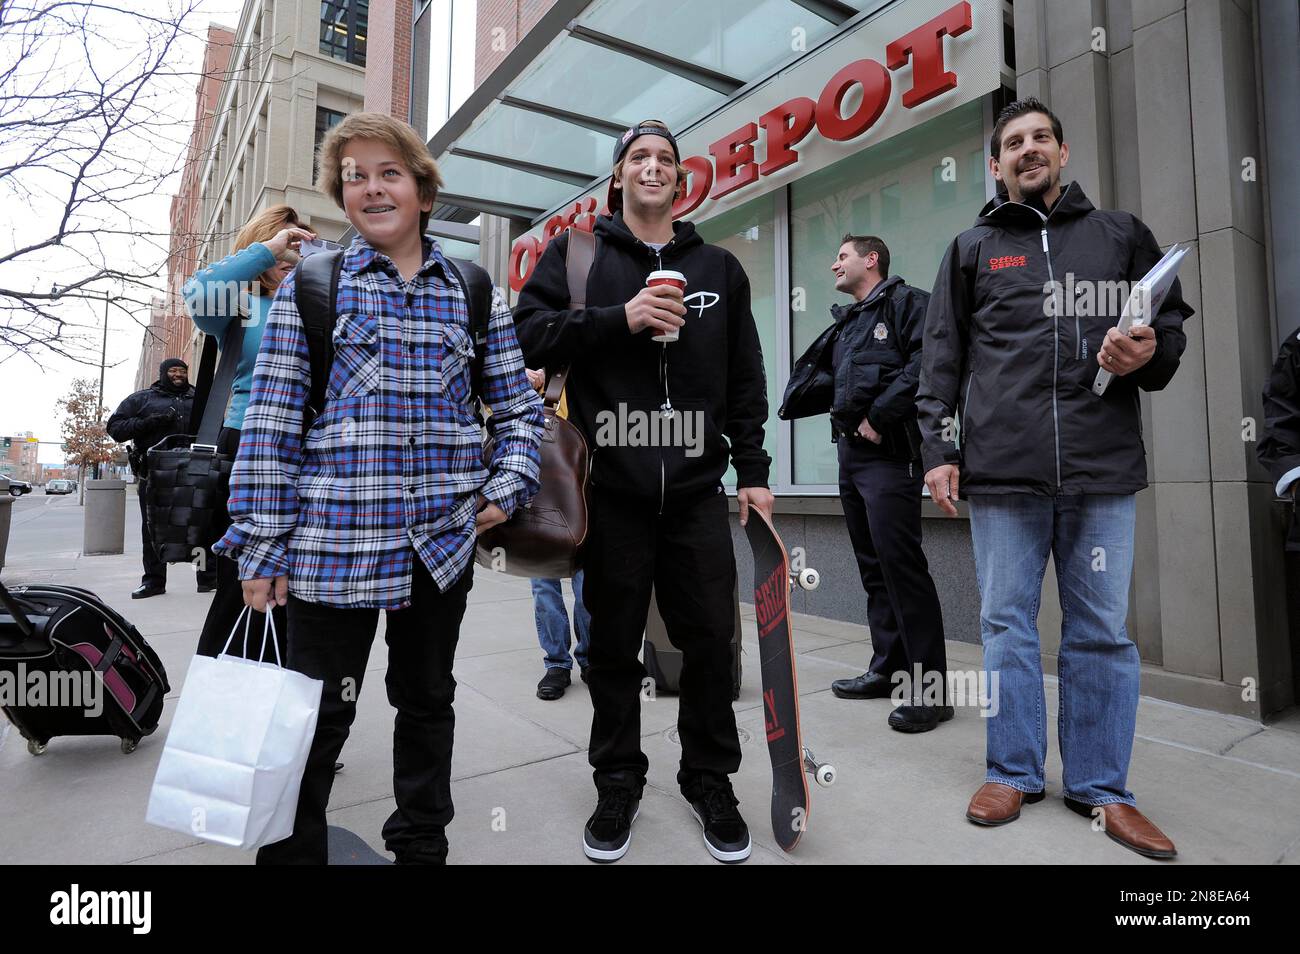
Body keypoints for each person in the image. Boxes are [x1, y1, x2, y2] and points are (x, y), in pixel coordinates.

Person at [213, 112, 544, 865]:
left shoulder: (473, 287)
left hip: (442, 545)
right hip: (331, 550)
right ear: (343, 196)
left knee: (426, 703)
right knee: (316, 717)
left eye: (388, 171)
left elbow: (519, 408)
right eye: (355, 176)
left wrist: (509, 482)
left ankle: (421, 847)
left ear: (423, 192)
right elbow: (271, 422)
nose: (371, 186)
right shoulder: (312, 286)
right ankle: (292, 853)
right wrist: (262, 547)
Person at [917, 97, 1192, 858]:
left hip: (1100, 470)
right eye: (1014, 141)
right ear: (996, 163)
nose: (1028, 149)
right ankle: (1012, 770)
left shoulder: (1119, 235)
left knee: (1100, 631)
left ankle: (1102, 788)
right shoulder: (972, 248)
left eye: (1041, 138)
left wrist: (1149, 354)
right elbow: (940, 361)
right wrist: (940, 449)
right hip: (1003, 474)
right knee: (1007, 625)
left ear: (1063, 153)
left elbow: (1168, 334)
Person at [514, 120, 773, 864]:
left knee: (708, 647)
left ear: (680, 180)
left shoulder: (718, 266)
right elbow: (527, 335)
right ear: (619, 178)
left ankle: (709, 779)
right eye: (639, 159)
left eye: (666, 159)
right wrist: (616, 320)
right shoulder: (578, 254)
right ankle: (618, 778)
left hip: (695, 489)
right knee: (613, 649)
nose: (653, 168)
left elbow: (745, 377)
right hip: (613, 490)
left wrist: (751, 471)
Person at [782, 235, 949, 731]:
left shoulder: (907, 304)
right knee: (873, 567)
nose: (834, 264)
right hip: (851, 457)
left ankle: (932, 692)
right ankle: (888, 668)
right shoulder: (850, 322)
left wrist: (879, 415)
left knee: (903, 569)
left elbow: (926, 366)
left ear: (871, 259)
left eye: (843, 256)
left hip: (891, 455)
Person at [183, 205, 314, 659]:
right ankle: (221, 697)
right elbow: (197, 294)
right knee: (243, 581)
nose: (291, 254)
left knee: (301, 586)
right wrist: (267, 250)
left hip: (313, 454)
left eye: (299, 246)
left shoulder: (317, 302)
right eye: (284, 245)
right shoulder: (239, 303)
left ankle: (280, 697)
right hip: (247, 447)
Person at [106, 359, 214, 598]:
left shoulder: (201, 398)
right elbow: (115, 429)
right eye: (173, 371)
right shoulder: (142, 399)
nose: (178, 375)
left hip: (194, 471)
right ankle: (154, 581)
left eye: (182, 371)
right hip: (154, 473)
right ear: (163, 373)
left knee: (202, 526)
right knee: (153, 529)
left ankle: (207, 577)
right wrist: (150, 422)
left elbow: (218, 426)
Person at [525, 367, 592, 701]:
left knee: (588, 584)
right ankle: (556, 664)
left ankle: (591, 658)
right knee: (543, 584)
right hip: (537, 495)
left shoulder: (583, 364)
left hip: (582, 492)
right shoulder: (523, 360)